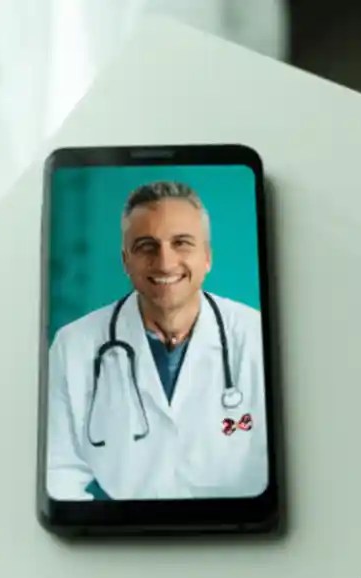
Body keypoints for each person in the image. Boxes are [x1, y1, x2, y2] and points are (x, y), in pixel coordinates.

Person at [45, 181, 268, 500]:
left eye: (182, 243)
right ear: (126, 260)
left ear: (207, 257)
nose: (164, 262)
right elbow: (58, 475)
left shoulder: (256, 336)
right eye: (146, 246)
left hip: (240, 526)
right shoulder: (74, 346)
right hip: (128, 530)